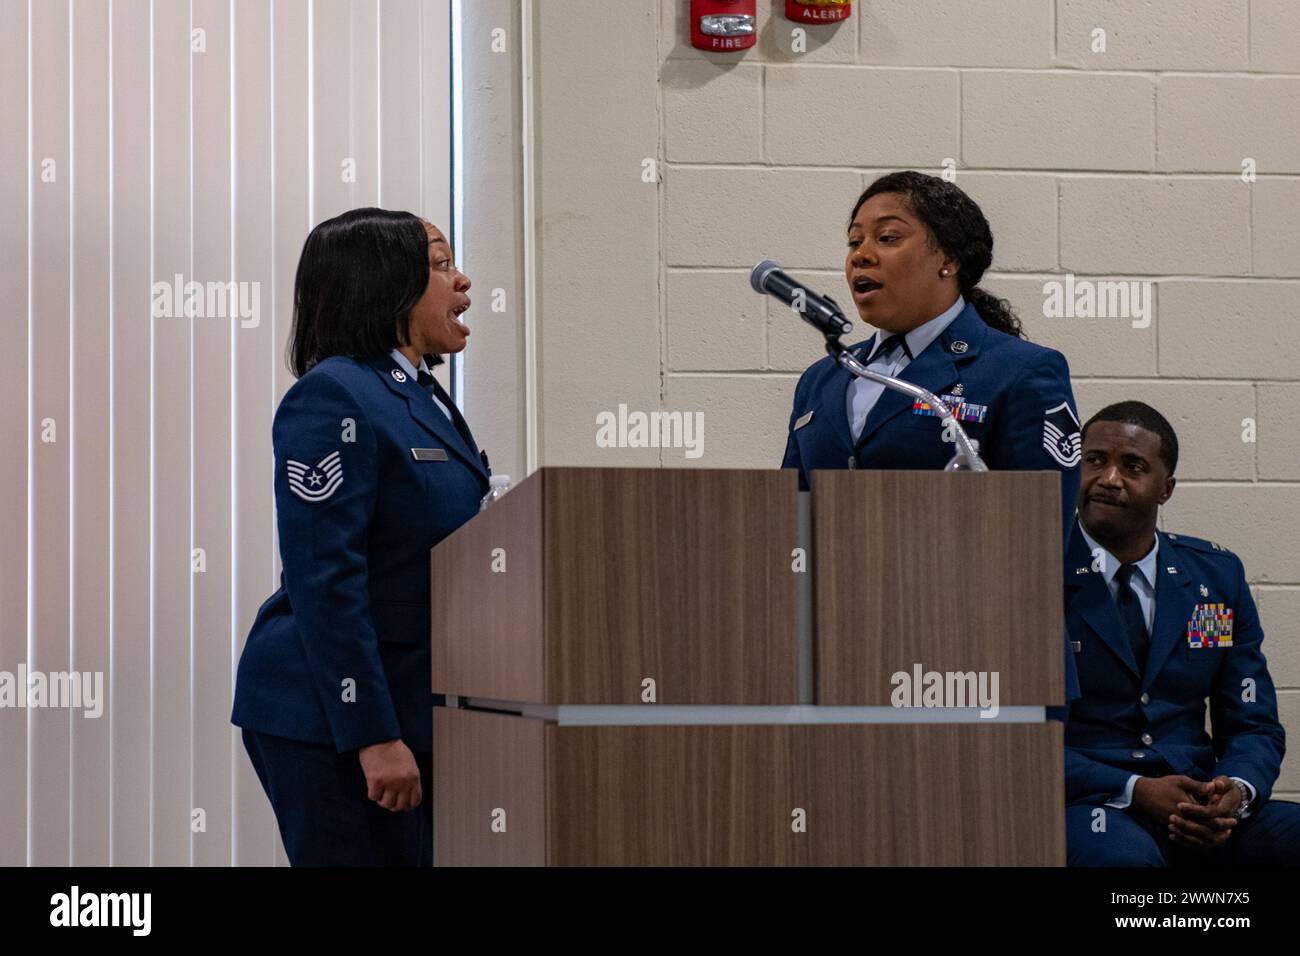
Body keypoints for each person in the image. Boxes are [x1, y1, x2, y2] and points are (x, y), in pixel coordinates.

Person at [231, 207, 489, 866]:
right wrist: (372, 737)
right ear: (385, 284)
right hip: (329, 719)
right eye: (438, 265)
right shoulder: (335, 397)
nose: (461, 282)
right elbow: (327, 580)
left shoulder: (421, 396)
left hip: (408, 706)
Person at [780, 171, 1082, 537]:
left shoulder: (1021, 371)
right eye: (854, 241)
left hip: (953, 591)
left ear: (949, 258)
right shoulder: (822, 379)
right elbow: (787, 520)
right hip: (828, 591)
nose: (861, 255)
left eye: (887, 238)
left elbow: (1042, 533)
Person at [1064, 401, 1300, 865]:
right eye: (1094, 461)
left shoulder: (1213, 580)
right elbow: (1018, 738)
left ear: (1165, 489)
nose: (1109, 479)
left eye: (1132, 466)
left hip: (1196, 799)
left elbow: (1253, 722)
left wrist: (1234, 789)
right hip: (1093, 801)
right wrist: (1134, 788)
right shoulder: (1030, 570)